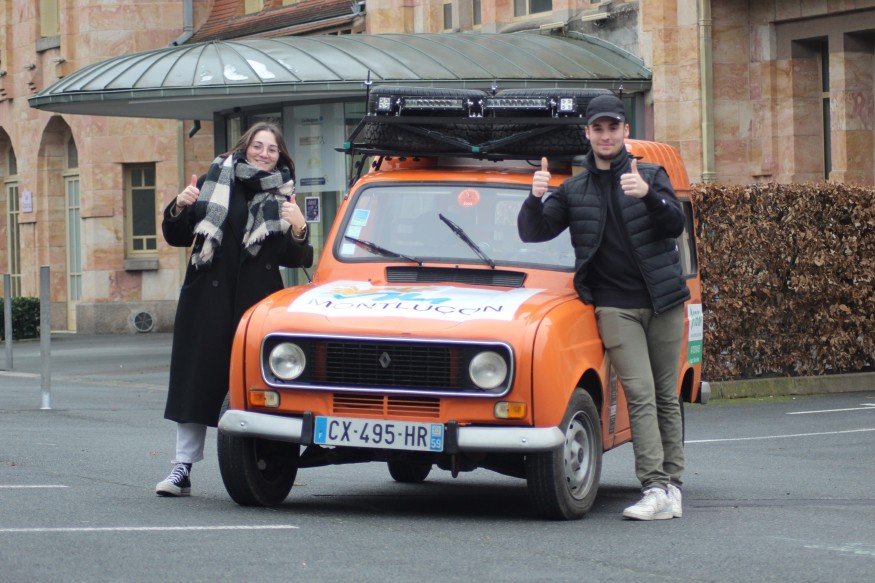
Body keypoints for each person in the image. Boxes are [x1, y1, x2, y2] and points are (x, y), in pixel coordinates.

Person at [517, 94, 690, 520]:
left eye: (613, 128)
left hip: (664, 301)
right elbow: (532, 232)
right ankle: (653, 488)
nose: (606, 135)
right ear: (588, 134)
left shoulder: (649, 173)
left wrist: (649, 195)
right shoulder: (574, 189)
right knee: (640, 392)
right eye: (598, 129)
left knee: (667, 395)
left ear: (625, 132)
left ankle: (673, 487)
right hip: (615, 307)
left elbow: (675, 224)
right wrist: (534, 197)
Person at [155, 121, 310, 497]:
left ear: (280, 156)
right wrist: (180, 205)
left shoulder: (284, 194)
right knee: (196, 385)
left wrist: (300, 229)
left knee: (257, 386)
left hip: (256, 305)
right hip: (206, 301)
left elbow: (294, 258)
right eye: (258, 146)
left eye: (272, 149)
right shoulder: (216, 178)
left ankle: (262, 464)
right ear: (245, 147)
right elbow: (177, 236)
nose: (264, 153)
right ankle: (182, 469)